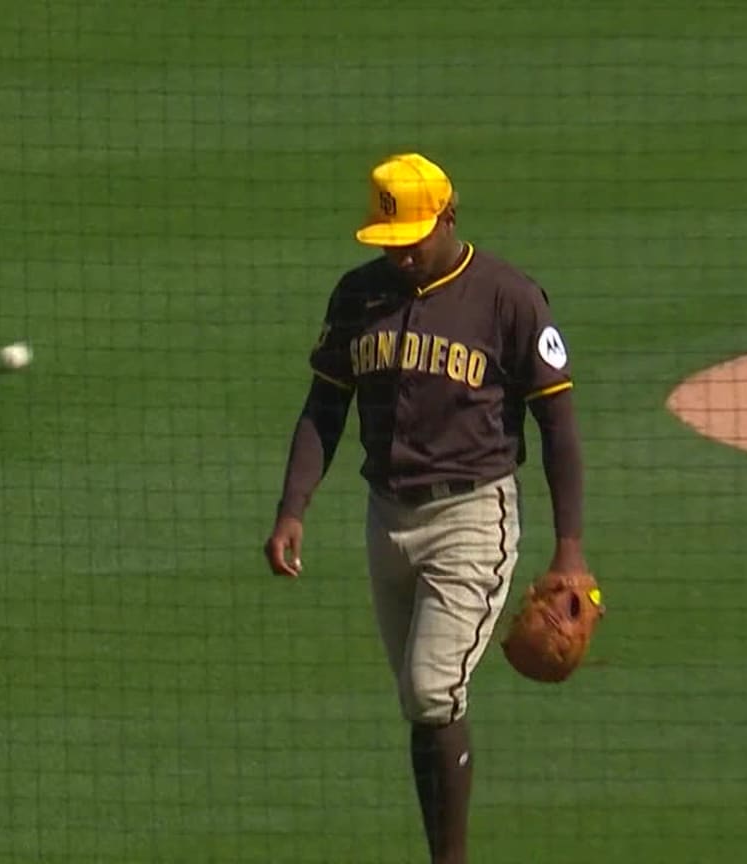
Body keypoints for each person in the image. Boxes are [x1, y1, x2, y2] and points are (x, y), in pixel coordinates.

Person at [263, 152, 587, 864]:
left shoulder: (507, 297)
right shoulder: (357, 296)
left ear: (449, 216)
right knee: (422, 703)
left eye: (414, 235)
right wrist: (294, 507)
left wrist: (570, 549)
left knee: (430, 689)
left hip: (474, 515)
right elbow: (325, 404)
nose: (402, 252)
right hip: (386, 517)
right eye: (390, 239)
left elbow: (557, 425)